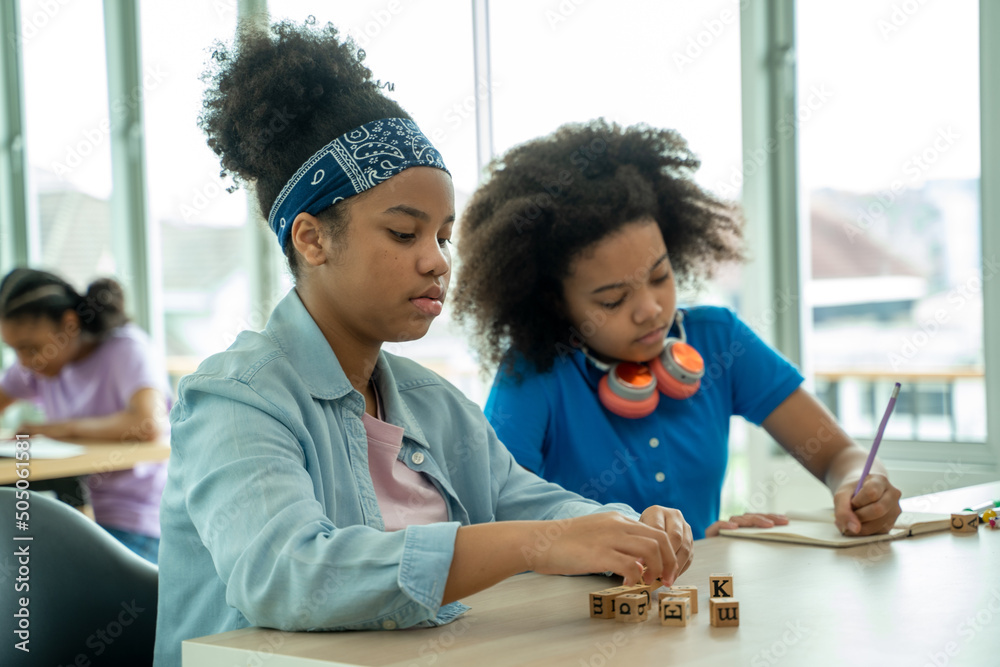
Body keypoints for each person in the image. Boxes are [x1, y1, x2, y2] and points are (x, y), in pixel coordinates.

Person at [153, 21, 692, 667]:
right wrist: (538, 544)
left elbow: (535, 506)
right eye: (405, 234)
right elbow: (287, 577)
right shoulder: (235, 401)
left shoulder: (431, 402)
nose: (437, 262)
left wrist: (626, 528)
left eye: (443, 235)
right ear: (312, 239)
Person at [451, 119, 903, 541]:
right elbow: (493, 526)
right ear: (553, 302)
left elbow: (839, 456)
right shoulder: (534, 374)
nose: (650, 310)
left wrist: (862, 484)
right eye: (613, 299)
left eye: (660, 276)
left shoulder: (719, 339)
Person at [0, 268, 170, 562]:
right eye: (16, 351)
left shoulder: (126, 349)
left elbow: (148, 423)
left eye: (31, 348)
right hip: (72, 516)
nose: (25, 362)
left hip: (136, 520)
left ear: (68, 324)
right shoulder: (38, 364)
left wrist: (52, 429)